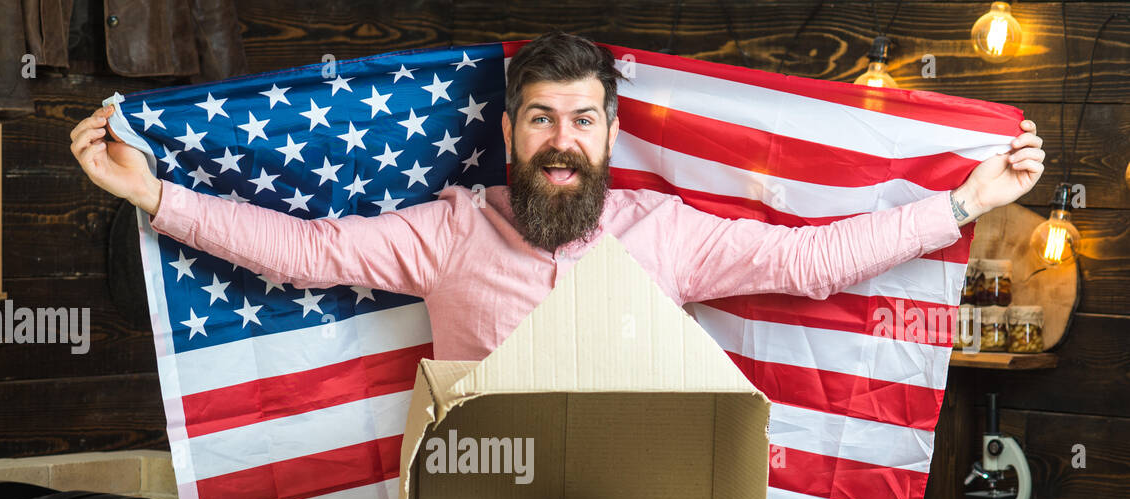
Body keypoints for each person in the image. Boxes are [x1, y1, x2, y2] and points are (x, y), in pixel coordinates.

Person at [69, 30, 1045, 363]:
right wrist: (156, 195)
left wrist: (961, 205)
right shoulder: (450, 232)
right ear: (509, 133)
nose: (560, 142)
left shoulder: (663, 234)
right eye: (540, 119)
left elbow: (806, 262)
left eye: (581, 121)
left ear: (610, 135)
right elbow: (308, 252)